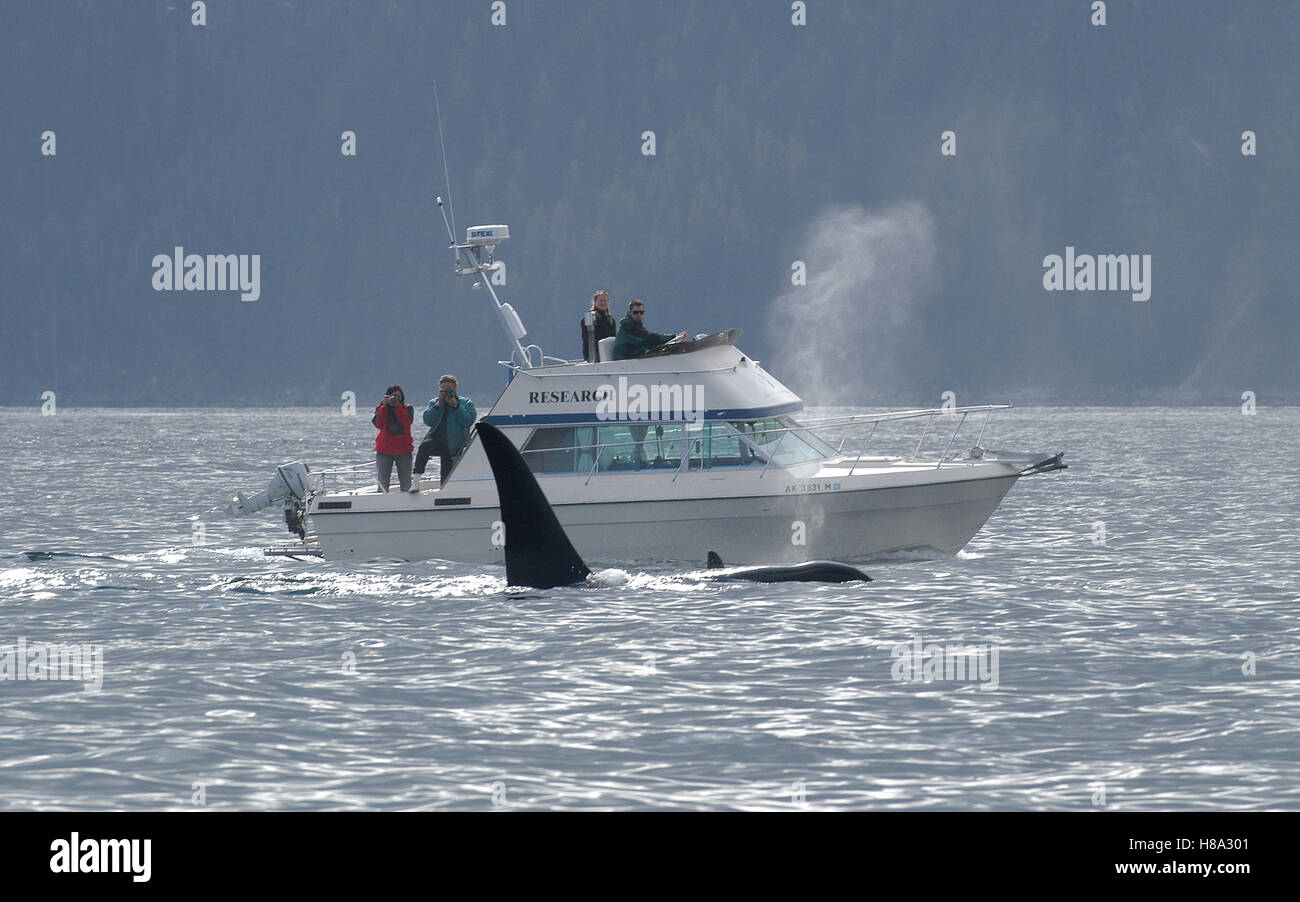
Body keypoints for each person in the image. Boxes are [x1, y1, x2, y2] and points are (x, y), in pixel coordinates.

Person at [412, 374, 478, 490]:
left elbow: (468, 421)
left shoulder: (466, 403)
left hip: (454, 444)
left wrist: (455, 406)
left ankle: (445, 490)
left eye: (449, 390)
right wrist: (438, 405)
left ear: (455, 389)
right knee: (424, 446)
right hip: (437, 440)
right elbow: (428, 420)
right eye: (444, 390)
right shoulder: (435, 402)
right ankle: (416, 480)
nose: (447, 393)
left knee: (446, 477)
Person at [612, 299, 688, 360]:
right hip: (624, 364)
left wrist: (674, 340)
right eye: (636, 312)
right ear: (630, 313)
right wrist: (673, 337)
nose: (639, 315)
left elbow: (649, 340)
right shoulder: (627, 327)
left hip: (633, 358)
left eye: (641, 312)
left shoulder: (636, 326)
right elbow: (649, 338)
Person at [372, 384, 414, 492]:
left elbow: (406, 422)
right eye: (393, 396)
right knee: (382, 484)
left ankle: (407, 504)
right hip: (384, 450)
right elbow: (378, 424)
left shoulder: (407, 408)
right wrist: (384, 407)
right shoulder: (381, 409)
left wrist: (397, 407)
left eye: (398, 397)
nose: (395, 399)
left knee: (406, 484)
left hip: (404, 450)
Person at [581, 289, 618, 361]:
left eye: (605, 301)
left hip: (608, 354)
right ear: (595, 302)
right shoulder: (590, 316)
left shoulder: (611, 320)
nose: (603, 303)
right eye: (600, 300)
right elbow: (587, 339)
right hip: (594, 356)